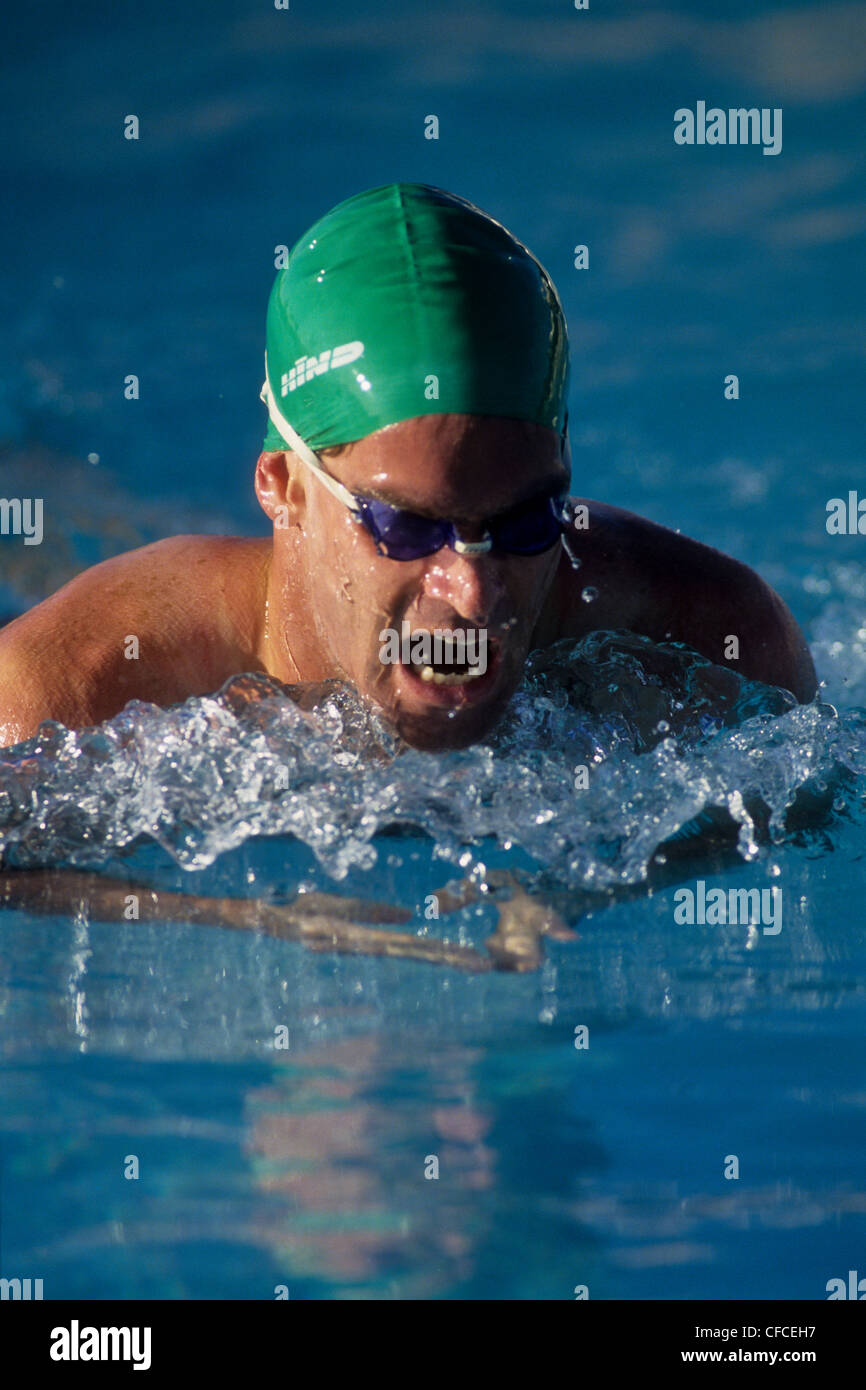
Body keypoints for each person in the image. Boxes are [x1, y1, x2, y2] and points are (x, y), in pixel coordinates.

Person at [0, 182, 816, 754]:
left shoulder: (720, 646)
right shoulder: (66, 696)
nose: (472, 587)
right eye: (407, 524)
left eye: (527, 519)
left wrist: (579, 896)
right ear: (283, 489)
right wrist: (280, 920)